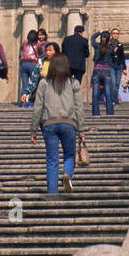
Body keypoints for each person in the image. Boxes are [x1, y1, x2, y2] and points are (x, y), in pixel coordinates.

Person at [29, 53, 86, 194]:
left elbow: (37, 107)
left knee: (52, 159)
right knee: (70, 155)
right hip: (69, 123)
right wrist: (81, 130)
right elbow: (79, 107)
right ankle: (67, 175)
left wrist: (33, 131)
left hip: (49, 124)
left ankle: (52, 192)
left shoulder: (43, 83)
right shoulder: (73, 83)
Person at [90, 32, 117, 116]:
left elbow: (92, 39)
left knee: (95, 94)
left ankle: (95, 114)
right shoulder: (111, 48)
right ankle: (110, 113)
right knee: (108, 93)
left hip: (97, 71)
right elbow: (114, 47)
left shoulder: (97, 46)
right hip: (106, 71)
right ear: (109, 39)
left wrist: (99, 32)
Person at [19, 30, 43, 106]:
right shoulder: (38, 44)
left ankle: (23, 103)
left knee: (25, 84)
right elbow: (41, 53)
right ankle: (31, 102)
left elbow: (21, 49)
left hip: (23, 63)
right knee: (33, 83)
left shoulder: (24, 42)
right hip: (33, 63)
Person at [61, 25, 89, 89]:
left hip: (67, 65)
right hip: (79, 66)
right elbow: (87, 54)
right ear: (82, 32)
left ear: (74, 31)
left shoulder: (66, 39)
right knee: (77, 85)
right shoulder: (84, 40)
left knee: (67, 85)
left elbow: (63, 52)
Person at [108, 29, 126, 104]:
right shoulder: (108, 44)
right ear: (111, 34)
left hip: (119, 65)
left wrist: (124, 68)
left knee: (117, 83)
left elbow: (122, 56)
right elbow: (107, 54)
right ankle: (113, 100)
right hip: (111, 65)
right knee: (113, 82)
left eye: (117, 33)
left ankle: (115, 99)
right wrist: (114, 50)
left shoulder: (121, 45)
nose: (115, 35)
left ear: (118, 35)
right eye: (114, 33)